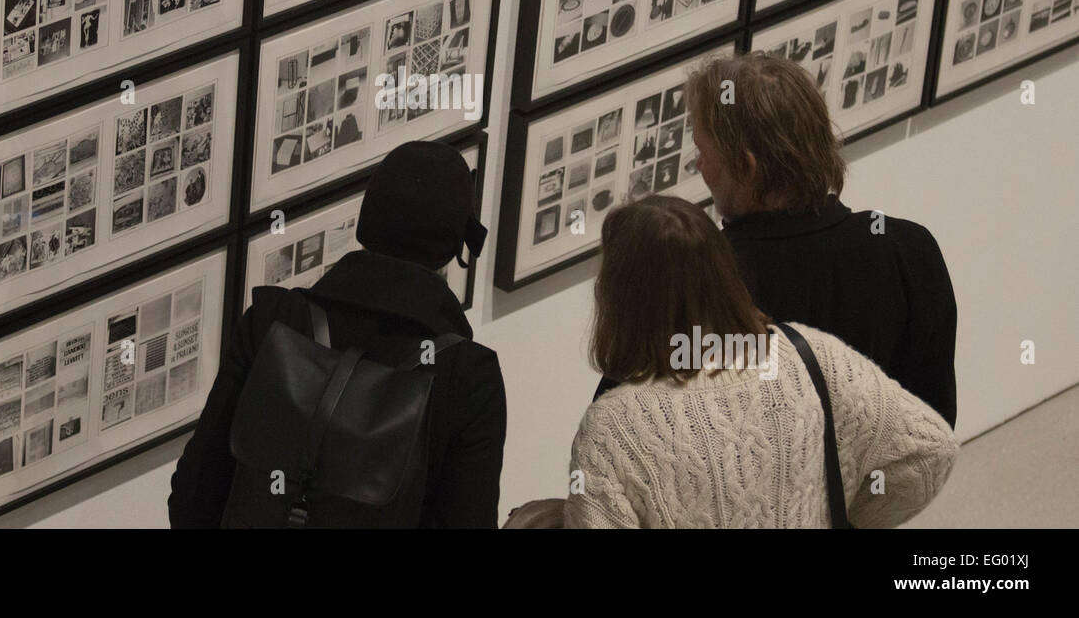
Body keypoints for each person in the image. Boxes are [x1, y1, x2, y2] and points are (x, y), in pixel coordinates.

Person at [168, 141, 506, 528]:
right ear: (456, 245)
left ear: (368, 218)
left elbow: (192, 497)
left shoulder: (273, 322)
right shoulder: (466, 377)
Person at [566, 196, 957, 529]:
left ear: (619, 299)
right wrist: (848, 518)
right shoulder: (810, 354)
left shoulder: (611, 428)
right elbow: (930, 449)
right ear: (724, 271)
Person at [681, 52, 958, 426]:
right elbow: (932, 428)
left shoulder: (697, 279)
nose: (699, 167)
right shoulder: (908, 250)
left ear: (747, 167)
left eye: (702, 151)